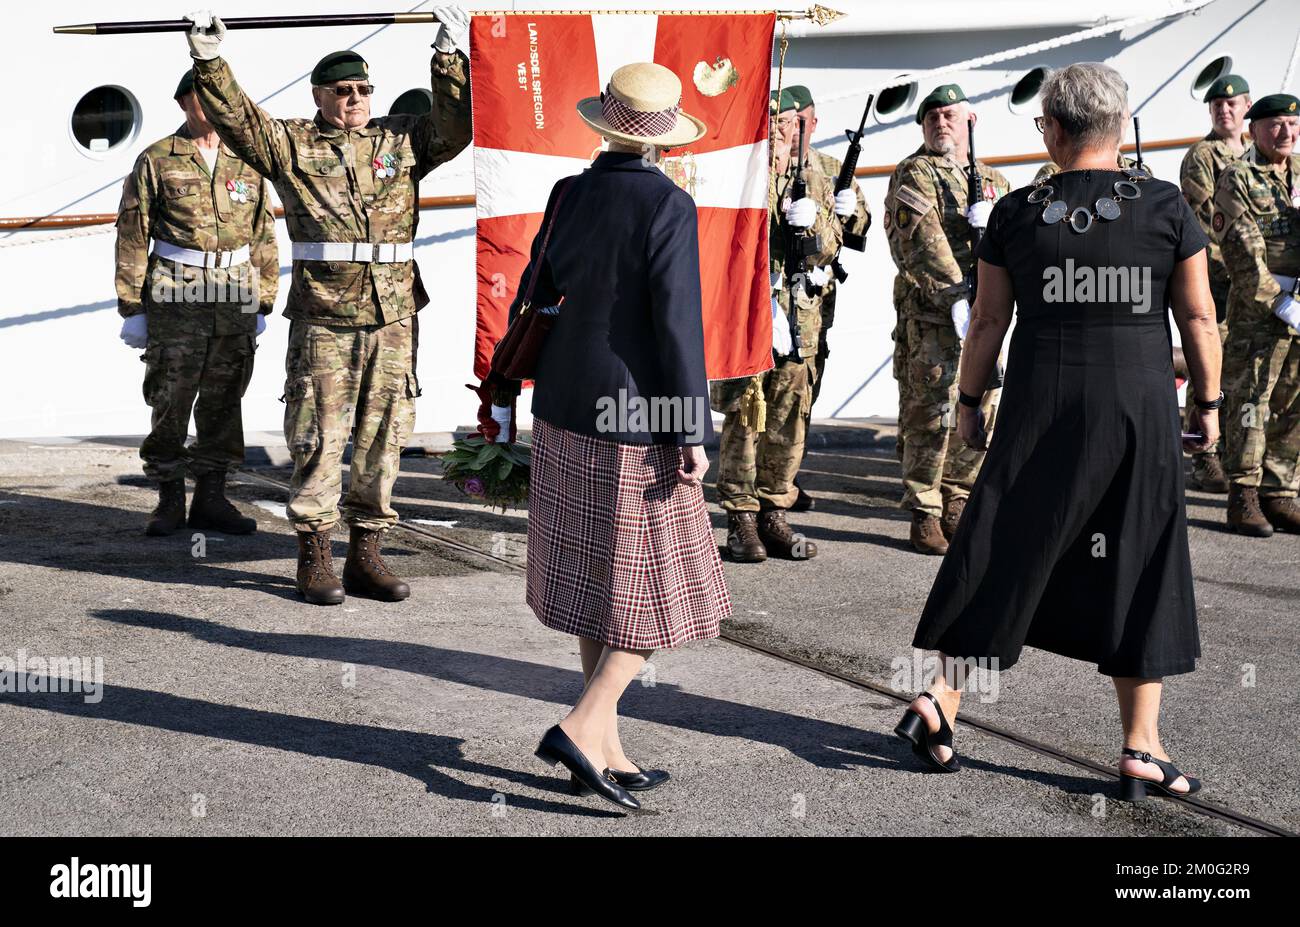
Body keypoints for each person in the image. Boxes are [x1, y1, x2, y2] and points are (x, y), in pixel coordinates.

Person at [894, 63, 1221, 803]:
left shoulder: (1014, 212)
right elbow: (1199, 318)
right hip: (1136, 409)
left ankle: (939, 700)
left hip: (1040, 403)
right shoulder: (1165, 207)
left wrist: (971, 401)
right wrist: (1209, 402)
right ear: (1117, 125)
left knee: (1004, 539)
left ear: (1055, 130)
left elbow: (985, 320)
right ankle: (1142, 747)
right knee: (1141, 555)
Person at [181, 7, 473, 604]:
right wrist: (209, 60)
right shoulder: (292, 142)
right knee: (319, 433)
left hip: (394, 314)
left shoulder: (402, 138)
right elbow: (240, 122)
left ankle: (366, 554)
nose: (356, 98)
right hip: (324, 314)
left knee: (385, 432)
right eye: (343, 90)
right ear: (319, 94)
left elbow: (456, 126)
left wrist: (448, 58)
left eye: (365, 88)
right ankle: (315, 555)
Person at [525, 62, 732, 811]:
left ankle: (606, 745)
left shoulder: (567, 193)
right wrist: (693, 427)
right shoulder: (667, 204)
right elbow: (678, 325)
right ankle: (581, 725)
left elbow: (535, 294)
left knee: (593, 585)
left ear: (605, 125)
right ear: (663, 140)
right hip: (636, 415)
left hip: (563, 403)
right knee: (657, 590)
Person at [115, 68, 278, 537]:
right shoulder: (157, 159)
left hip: (234, 293)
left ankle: (212, 497)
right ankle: (169, 497)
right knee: (171, 398)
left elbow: (265, 231)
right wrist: (133, 307)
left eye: (215, 95)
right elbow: (132, 234)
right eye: (200, 96)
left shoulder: (246, 160)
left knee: (225, 399)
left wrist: (264, 300)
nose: (208, 104)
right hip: (175, 294)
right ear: (184, 102)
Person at [710, 87, 841, 563]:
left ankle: (774, 509)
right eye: (774, 122)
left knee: (790, 415)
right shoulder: (745, 178)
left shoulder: (814, 179)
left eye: (789, 122)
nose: (782, 131)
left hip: (800, 318)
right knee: (746, 413)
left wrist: (813, 228)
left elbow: (832, 245)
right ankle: (740, 517)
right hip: (751, 313)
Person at [883, 84, 1011, 555]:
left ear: (969, 121)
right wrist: (958, 297)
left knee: (978, 404)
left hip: (986, 317)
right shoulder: (914, 172)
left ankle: (959, 496)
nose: (941, 123)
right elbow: (920, 240)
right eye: (932, 116)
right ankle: (924, 509)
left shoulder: (994, 180)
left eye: (950, 115)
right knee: (931, 412)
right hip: (935, 315)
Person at [1213, 92, 1300, 536]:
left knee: (1293, 400)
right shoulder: (1238, 177)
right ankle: (1243, 496)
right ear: (1254, 130)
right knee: (1251, 400)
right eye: (1274, 126)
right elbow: (1243, 251)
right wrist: (1282, 302)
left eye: (1292, 124)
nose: (1285, 133)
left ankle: (1281, 490)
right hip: (1259, 312)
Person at [788, 85, 872, 512]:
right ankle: (762, 490)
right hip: (778, 301)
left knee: (807, 390)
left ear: (813, 123)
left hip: (817, 305)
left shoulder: (832, 167)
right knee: (768, 398)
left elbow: (859, 229)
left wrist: (848, 206)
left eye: (799, 120)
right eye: (786, 121)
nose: (792, 128)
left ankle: (787, 475)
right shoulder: (769, 167)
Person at [1180, 74, 1252, 493]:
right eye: (1217, 106)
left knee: (1242, 368)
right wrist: (1237, 266)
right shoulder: (1201, 156)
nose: (1224, 111)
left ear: (1246, 107)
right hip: (1221, 277)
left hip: (1255, 282)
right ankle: (1203, 454)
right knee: (1209, 360)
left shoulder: (1254, 154)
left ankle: (1232, 447)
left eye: (1232, 104)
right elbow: (1204, 219)